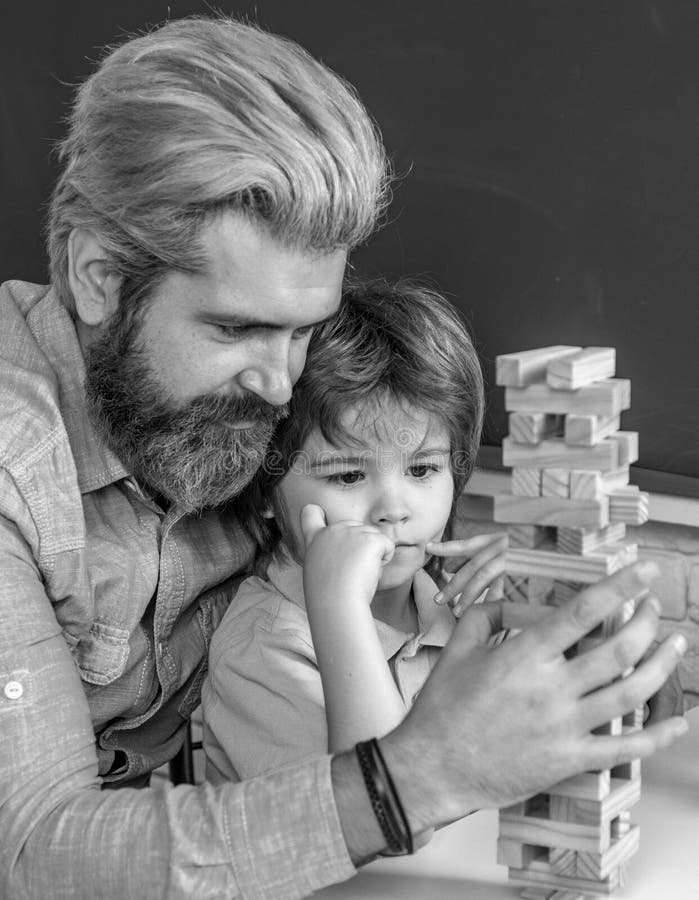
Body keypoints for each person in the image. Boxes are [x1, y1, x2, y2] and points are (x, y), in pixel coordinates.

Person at [0, 13, 688, 900]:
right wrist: (416, 776)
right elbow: (33, 856)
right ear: (99, 278)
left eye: (302, 331)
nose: (282, 387)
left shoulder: (223, 398)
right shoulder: (18, 467)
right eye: (237, 328)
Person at [202, 278, 507, 786]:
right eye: (347, 476)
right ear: (266, 488)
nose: (393, 509)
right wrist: (338, 605)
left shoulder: (458, 607)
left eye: (422, 470)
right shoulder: (264, 651)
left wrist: (553, 607)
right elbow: (379, 817)